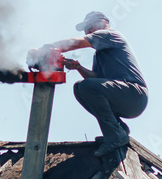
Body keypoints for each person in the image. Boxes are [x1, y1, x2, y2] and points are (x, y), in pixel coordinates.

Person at [29, 11, 148, 158]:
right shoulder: (99, 55)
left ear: (103, 23)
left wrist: (44, 49)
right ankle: (118, 129)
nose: (87, 31)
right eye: (86, 29)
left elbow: (77, 42)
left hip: (135, 94)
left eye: (89, 26)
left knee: (87, 86)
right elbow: (96, 78)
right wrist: (78, 67)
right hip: (126, 97)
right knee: (80, 88)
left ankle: (115, 135)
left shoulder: (110, 34)